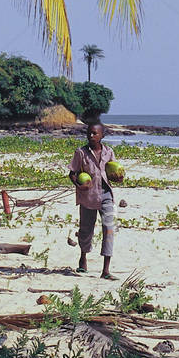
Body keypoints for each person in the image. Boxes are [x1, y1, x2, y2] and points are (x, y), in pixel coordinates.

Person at [69, 120, 116, 280]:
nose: (91, 135)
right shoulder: (81, 153)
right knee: (86, 230)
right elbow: (72, 173)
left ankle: (106, 270)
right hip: (88, 196)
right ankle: (83, 258)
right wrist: (78, 185)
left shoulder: (109, 152)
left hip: (106, 196)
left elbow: (112, 173)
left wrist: (119, 177)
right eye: (89, 133)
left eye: (95, 133)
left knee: (109, 230)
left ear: (102, 135)